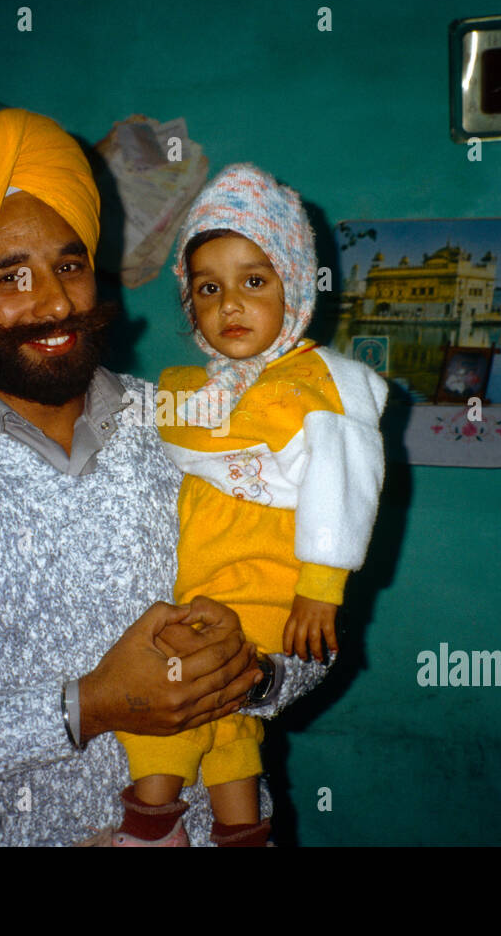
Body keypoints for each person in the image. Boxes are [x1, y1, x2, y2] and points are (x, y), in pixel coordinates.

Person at [0, 109, 331, 846]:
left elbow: (308, 616)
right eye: (10, 276)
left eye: (69, 265)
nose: (53, 301)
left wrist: (255, 676)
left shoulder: (196, 419)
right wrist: (88, 706)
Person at [112, 164, 389, 846]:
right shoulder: (188, 388)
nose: (230, 303)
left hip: (266, 582)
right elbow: (135, 441)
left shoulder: (321, 381)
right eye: (209, 288)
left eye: (254, 281)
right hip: (202, 580)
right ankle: (243, 831)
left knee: (165, 695)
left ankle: (147, 829)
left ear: (294, 284)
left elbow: (346, 477)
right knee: (228, 715)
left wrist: (321, 591)